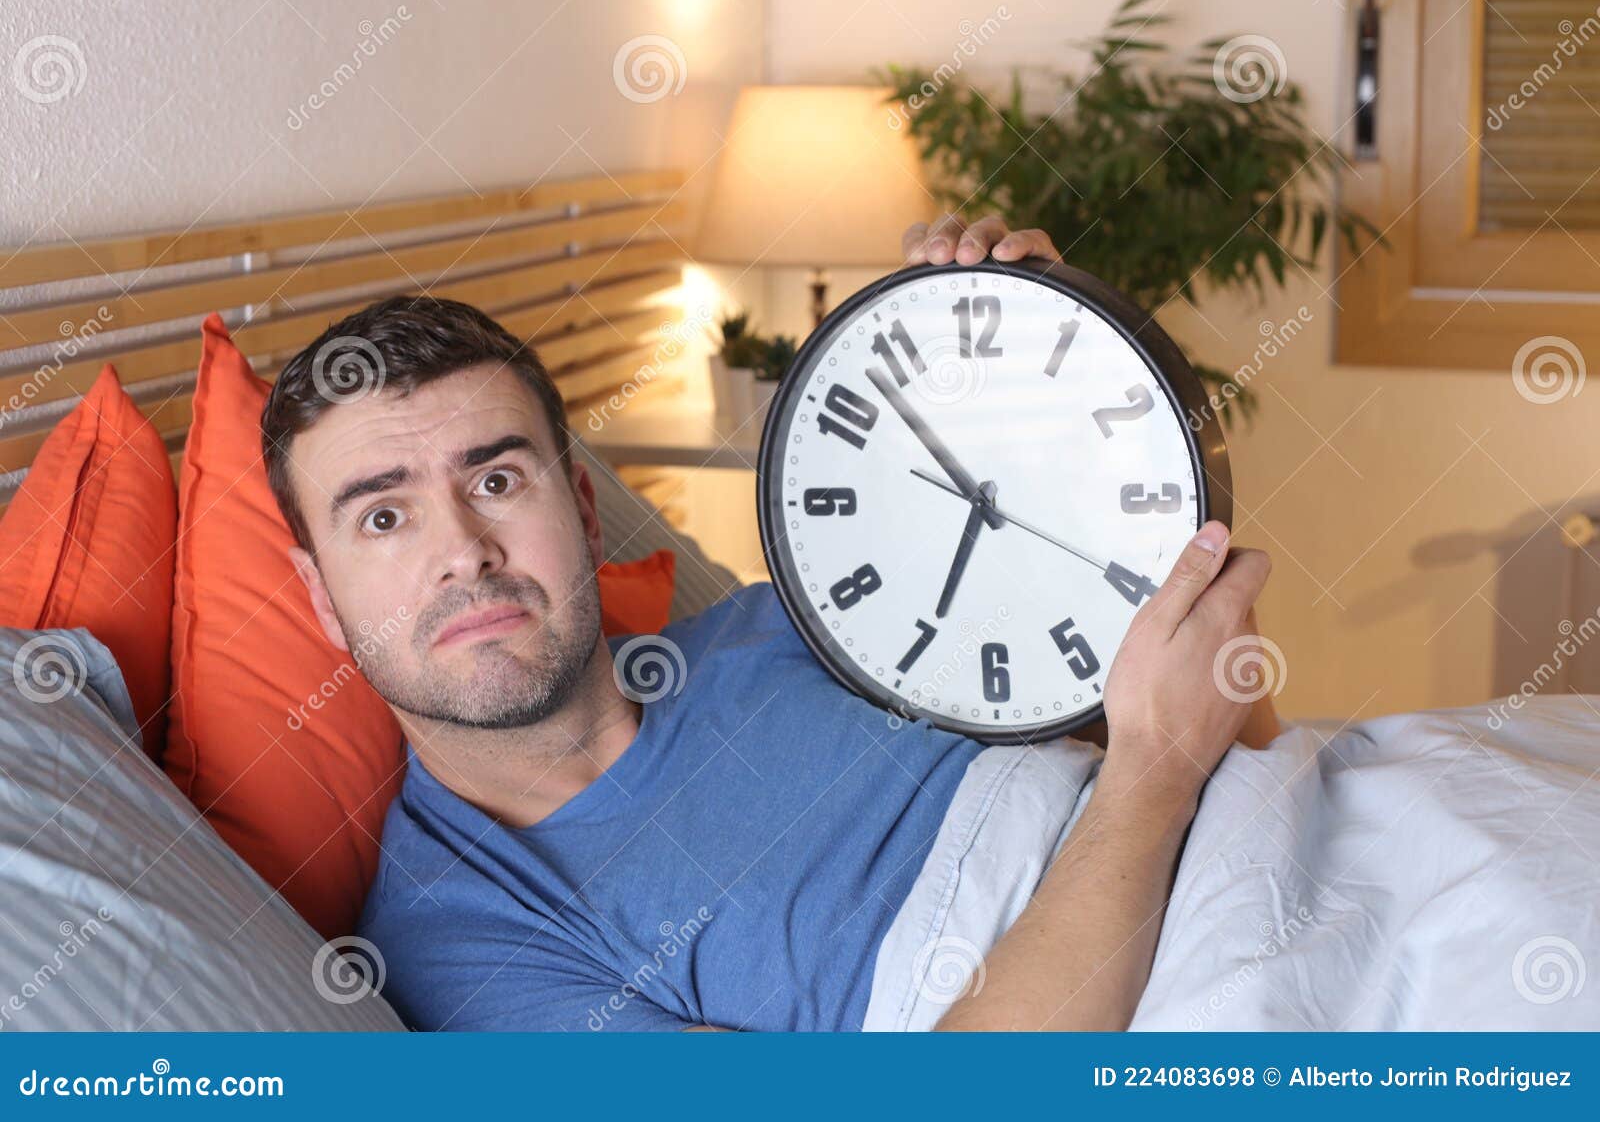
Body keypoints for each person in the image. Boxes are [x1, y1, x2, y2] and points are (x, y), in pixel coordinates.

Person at [259, 214, 1278, 1032]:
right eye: (384, 514)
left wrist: (1059, 354)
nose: (465, 550)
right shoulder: (461, 940)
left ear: (579, 507)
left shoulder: (803, 622)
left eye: (495, 477)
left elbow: (1226, 724)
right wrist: (1153, 777)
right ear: (317, 594)